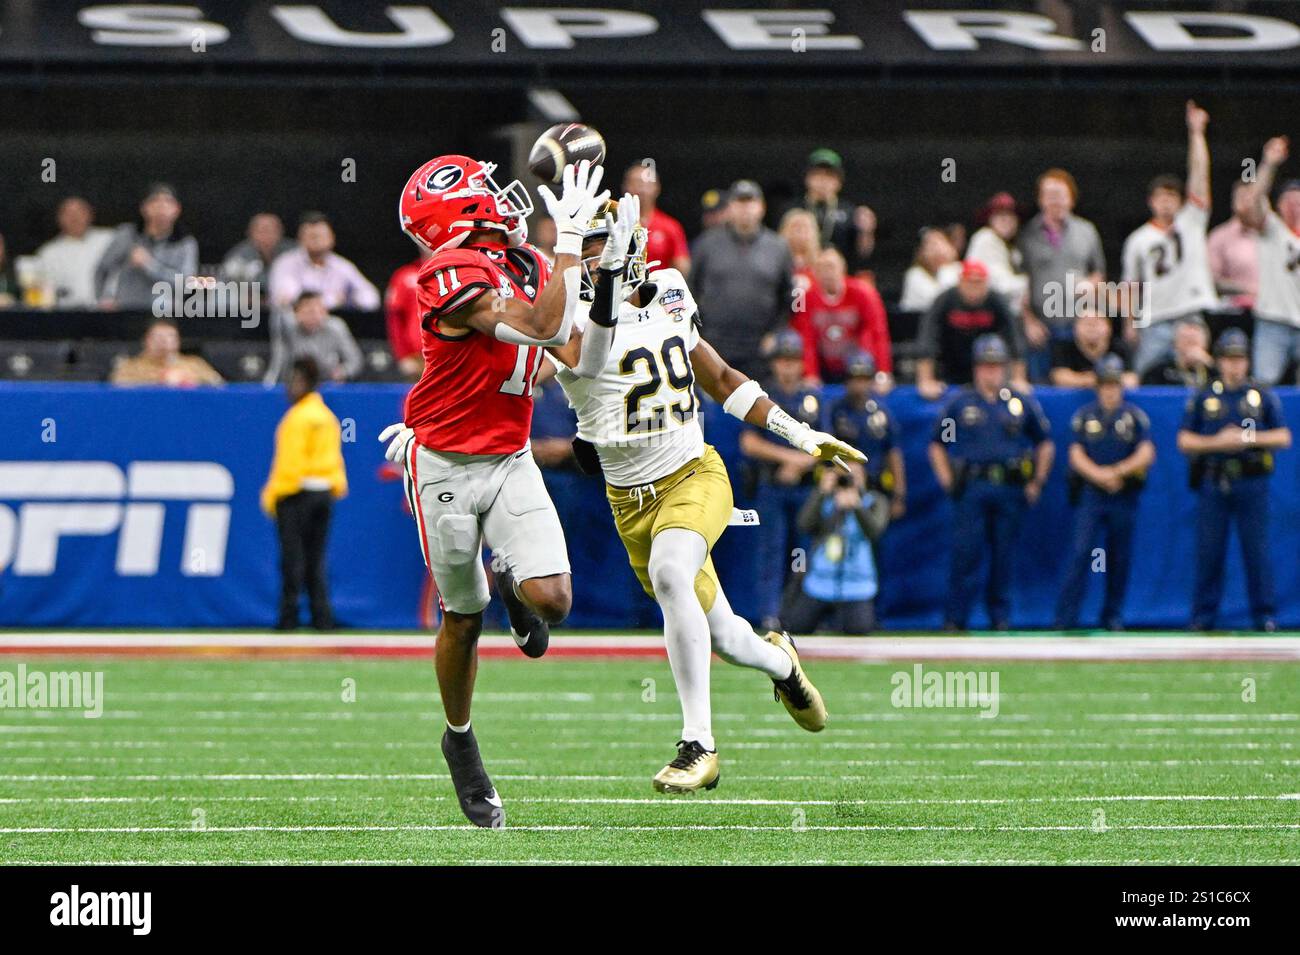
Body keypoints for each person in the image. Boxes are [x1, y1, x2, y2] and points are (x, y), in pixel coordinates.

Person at [545, 200, 854, 793]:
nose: (590, 262)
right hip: (628, 502)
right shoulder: (570, 320)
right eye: (584, 252)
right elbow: (580, 354)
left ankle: (698, 746)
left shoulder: (668, 290)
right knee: (729, 638)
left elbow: (720, 378)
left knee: (670, 574)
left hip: (693, 475)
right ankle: (782, 663)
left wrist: (800, 432)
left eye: (599, 250)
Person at [377, 155, 610, 827]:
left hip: (509, 457)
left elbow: (579, 357)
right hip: (446, 465)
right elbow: (536, 327)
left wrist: (611, 286)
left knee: (554, 599)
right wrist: (569, 247)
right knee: (463, 615)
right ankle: (460, 741)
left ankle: (514, 579)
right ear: (457, 211)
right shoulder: (447, 270)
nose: (501, 196)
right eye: (484, 188)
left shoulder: (533, 264)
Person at [929, 334, 1053, 631]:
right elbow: (937, 444)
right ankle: (956, 618)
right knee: (966, 554)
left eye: (997, 366)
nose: (991, 372)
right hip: (972, 486)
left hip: (1009, 486)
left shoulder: (1019, 403)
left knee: (1004, 554)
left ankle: (1000, 617)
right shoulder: (960, 404)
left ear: (1005, 368)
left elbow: (1045, 442)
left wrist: (1037, 481)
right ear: (976, 368)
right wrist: (947, 479)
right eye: (986, 366)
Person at [1177, 328, 1291, 631]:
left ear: (1247, 362)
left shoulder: (1259, 395)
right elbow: (1185, 440)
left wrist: (1246, 437)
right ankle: (1203, 616)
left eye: (1239, 359)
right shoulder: (1205, 395)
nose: (1234, 365)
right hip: (1214, 480)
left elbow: (1283, 436)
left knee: (1257, 551)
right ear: (1219, 361)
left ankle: (1264, 615)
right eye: (1229, 359)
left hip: (1251, 480)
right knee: (1209, 551)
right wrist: (1217, 443)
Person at [1054, 355, 1155, 630]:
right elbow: (1075, 454)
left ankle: (1113, 615)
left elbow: (1146, 452)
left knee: (1119, 556)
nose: (1110, 391)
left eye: (1114, 385)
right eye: (1105, 385)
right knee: (1081, 551)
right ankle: (1066, 616)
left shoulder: (1133, 417)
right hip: (1092, 495)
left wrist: (1118, 471)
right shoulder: (1085, 417)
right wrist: (1099, 476)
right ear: (1098, 387)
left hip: (1123, 495)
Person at [1122, 101, 1217, 377]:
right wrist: (1130, 323)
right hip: (1155, 319)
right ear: (1151, 202)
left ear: (1180, 201)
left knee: (1202, 378)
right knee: (1144, 377)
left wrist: (1197, 134)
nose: (1166, 203)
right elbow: (1130, 286)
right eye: (1160, 197)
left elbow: (1200, 176)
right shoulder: (1138, 239)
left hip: (1190, 315)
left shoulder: (1191, 221)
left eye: (1172, 197)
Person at [740, 330, 824, 630]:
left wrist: (802, 463)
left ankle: (801, 615)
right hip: (772, 483)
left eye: (793, 361)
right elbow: (749, 443)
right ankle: (770, 614)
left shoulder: (812, 398)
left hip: (804, 486)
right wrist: (789, 458)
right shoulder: (763, 397)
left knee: (805, 552)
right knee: (770, 552)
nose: (787, 367)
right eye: (782, 361)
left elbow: (825, 441)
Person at [260, 357, 348, 631]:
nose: (288, 388)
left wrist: (273, 495)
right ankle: (322, 618)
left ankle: (288, 618)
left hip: (297, 494)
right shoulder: (326, 416)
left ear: (302, 381)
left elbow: (290, 463)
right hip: (324, 493)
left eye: (292, 381)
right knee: (316, 559)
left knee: (292, 559)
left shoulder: (298, 418)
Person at [689, 179, 795, 380]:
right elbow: (691, 289)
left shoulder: (779, 247)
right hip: (713, 342)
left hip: (759, 348)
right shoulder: (706, 244)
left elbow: (791, 296)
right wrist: (697, 333)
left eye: (750, 202)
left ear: (761, 208)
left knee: (754, 405)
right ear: (730, 208)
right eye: (739, 202)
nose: (745, 209)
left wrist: (776, 332)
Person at [1019, 168, 1106, 380]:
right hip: (1042, 326)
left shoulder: (1087, 231)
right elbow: (1019, 282)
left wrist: (1090, 283)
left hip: (1078, 327)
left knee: (1078, 382)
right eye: (1050, 195)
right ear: (1040, 200)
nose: (1055, 201)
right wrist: (1028, 321)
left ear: (1071, 199)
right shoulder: (1027, 235)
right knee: (1040, 382)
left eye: (1061, 195)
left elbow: (1099, 272)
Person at [785, 461, 887, 634]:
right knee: (797, 626)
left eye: (854, 475)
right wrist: (821, 492)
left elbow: (875, 532)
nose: (848, 479)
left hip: (857, 585)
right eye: (844, 474)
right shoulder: (826, 500)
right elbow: (804, 525)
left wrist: (857, 507)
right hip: (819, 582)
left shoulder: (875, 500)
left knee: (859, 629)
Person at [915, 259, 1026, 398]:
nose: (974, 288)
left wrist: (1018, 378)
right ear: (960, 282)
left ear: (986, 284)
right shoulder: (944, 301)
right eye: (969, 282)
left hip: (987, 366)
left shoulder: (997, 301)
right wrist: (926, 380)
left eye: (978, 283)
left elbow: (1014, 339)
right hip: (950, 365)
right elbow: (927, 339)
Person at [1242, 136, 1300, 386]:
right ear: (1278, 205)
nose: (1295, 207)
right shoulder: (1273, 230)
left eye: (1299, 201)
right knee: (1263, 387)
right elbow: (1252, 201)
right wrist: (1268, 162)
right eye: (1289, 201)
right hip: (1273, 321)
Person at [789, 247, 891, 386]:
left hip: (858, 367)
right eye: (821, 268)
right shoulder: (804, 298)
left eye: (831, 267)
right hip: (823, 365)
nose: (827, 273)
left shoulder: (864, 293)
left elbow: (877, 333)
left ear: (843, 268)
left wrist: (882, 372)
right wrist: (810, 374)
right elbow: (805, 338)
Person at [827, 350, 906, 520]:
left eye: (864, 379)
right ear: (846, 380)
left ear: (871, 381)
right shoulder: (835, 410)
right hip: (841, 487)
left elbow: (893, 453)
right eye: (854, 378)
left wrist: (899, 494)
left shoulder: (881, 413)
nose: (859, 384)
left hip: (875, 486)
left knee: (875, 538)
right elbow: (824, 448)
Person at [94, 183, 199, 311]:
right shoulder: (127, 235)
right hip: (126, 309)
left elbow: (186, 283)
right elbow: (102, 269)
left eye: (168, 202)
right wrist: (103, 297)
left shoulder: (185, 243)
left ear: (177, 209)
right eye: (155, 201)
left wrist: (149, 264)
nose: (161, 207)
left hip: (164, 314)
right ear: (144, 208)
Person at [267, 212, 380, 312]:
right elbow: (288, 299)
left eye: (320, 236)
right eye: (311, 236)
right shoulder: (285, 263)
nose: (316, 240)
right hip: (296, 326)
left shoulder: (342, 266)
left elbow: (371, 298)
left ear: (332, 238)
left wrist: (351, 300)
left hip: (332, 324)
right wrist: (333, 300)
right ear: (300, 239)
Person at [796, 148, 874, 271]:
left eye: (829, 175)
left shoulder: (849, 211)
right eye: (817, 174)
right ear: (807, 178)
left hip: (839, 275)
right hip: (802, 274)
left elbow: (862, 253)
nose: (823, 180)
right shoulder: (794, 208)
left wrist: (866, 232)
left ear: (839, 182)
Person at [34, 196, 114, 308]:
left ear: (90, 214)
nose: (74, 217)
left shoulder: (110, 240)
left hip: (111, 311)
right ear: (59, 218)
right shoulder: (48, 253)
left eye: (79, 211)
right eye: (68, 213)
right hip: (68, 315)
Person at [276, 291, 364, 383]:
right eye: (308, 311)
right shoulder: (289, 328)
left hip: (331, 382)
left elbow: (355, 361)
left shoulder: (336, 327)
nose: (314, 316)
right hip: (300, 384)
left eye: (319, 311)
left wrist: (343, 372)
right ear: (297, 313)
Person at [623, 161, 690, 275]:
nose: (641, 189)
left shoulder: (670, 226)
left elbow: (682, 267)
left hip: (657, 289)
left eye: (646, 184)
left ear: (657, 187)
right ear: (625, 187)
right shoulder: (614, 224)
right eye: (636, 183)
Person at [966, 192, 1028, 315]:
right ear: (990, 219)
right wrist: (1036, 282)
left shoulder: (1011, 248)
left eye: (1011, 215)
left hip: (1000, 313)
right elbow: (1001, 286)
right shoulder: (985, 238)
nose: (1006, 220)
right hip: (982, 316)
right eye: (1000, 215)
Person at [110, 318, 223, 387]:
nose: (163, 341)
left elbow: (217, 383)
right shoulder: (130, 366)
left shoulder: (195, 364)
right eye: (158, 336)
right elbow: (118, 385)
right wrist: (160, 380)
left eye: (169, 336)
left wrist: (187, 379)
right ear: (146, 340)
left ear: (178, 341)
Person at [1050, 308, 1137, 388]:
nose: (1092, 328)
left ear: (1109, 327)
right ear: (1075, 328)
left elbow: (1131, 380)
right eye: (1086, 323)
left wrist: (1101, 379)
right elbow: (1059, 376)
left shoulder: (1120, 348)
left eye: (1097, 322)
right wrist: (1093, 380)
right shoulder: (1064, 347)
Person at [1207, 181, 1260, 308]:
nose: (1247, 203)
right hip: (1237, 310)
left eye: (1251, 197)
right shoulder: (1219, 237)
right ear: (1233, 202)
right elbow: (1212, 280)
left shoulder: (1273, 236)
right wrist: (1246, 290)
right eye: (1242, 197)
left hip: (1277, 310)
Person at [384, 248, 433, 380]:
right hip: (416, 357)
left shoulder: (455, 275)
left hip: (449, 355)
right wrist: (402, 355)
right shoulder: (404, 276)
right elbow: (395, 320)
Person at [220, 212, 294, 285]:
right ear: (250, 233)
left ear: (281, 232)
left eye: (271, 231)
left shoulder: (293, 252)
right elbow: (223, 284)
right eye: (262, 230)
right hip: (250, 295)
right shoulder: (238, 256)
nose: (266, 236)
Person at [1140, 316, 1215, 387]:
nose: (1190, 348)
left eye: (1194, 341)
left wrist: (1209, 363)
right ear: (1175, 343)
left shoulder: (1212, 369)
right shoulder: (1162, 370)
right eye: (1186, 340)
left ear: (1205, 343)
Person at [899, 227, 959, 312]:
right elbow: (940, 303)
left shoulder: (959, 270)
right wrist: (944, 269)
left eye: (941, 242)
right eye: (931, 244)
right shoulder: (914, 275)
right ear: (921, 252)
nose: (938, 249)